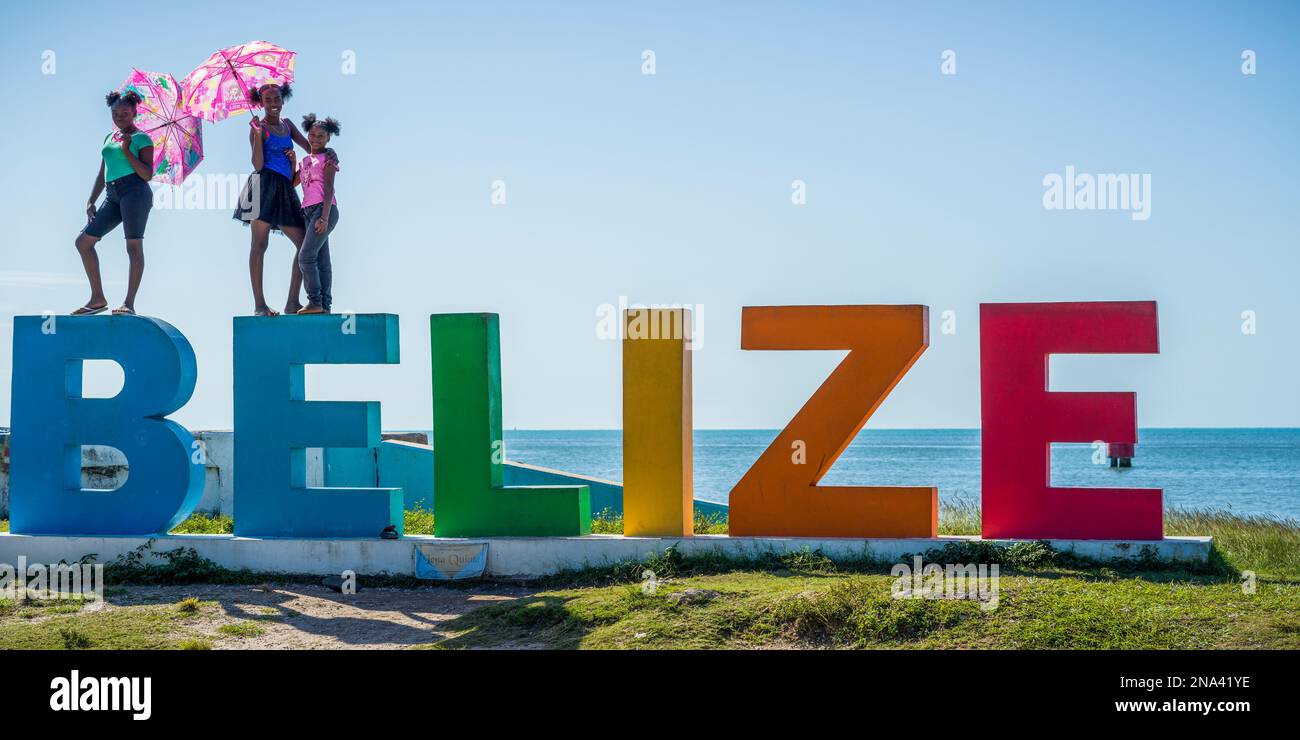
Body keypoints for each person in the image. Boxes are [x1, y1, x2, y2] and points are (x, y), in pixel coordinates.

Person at [232, 83, 315, 316]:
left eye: (277, 98)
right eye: (268, 100)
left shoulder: (288, 125)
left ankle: (292, 302)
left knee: (304, 245)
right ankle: (260, 305)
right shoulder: (258, 127)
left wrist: (301, 159)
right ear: (261, 102)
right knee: (259, 244)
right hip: (262, 185)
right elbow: (257, 165)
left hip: (285, 187)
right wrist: (258, 137)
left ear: (282, 99)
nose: (273, 103)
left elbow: (311, 148)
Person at [73, 91, 155, 316]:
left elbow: (147, 174)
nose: (120, 116)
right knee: (83, 242)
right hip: (112, 194)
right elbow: (102, 172)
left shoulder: (142, 139)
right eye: (115, 113)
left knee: (133, 246)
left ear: (134, 113)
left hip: (135, 192)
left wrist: (128, 150)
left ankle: (128, 303)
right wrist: (91, 199)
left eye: (125, 113)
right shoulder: (110, 138)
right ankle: (97, 298)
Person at [295, 114, 341, 314]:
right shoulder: (305, 160)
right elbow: (294, 182)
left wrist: (323, 217)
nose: (316, 139)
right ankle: (325, 305)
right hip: (307, 211)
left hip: (325, 209)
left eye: (321, 136)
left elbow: (329, 190)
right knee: (321, 260)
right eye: (312, 135)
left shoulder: (328, 159)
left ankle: (314, 301)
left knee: (305, 256)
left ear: (328, 138)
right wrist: (290, 161)